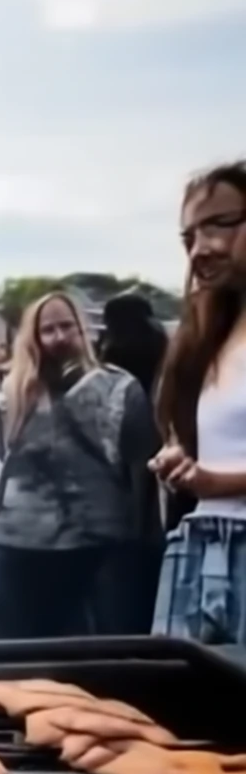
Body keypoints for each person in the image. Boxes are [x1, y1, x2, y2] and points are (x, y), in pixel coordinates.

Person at [0, 292, 159, 638]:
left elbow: (141, 475)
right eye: (48, 330)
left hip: (97, 550)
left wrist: (136, 546)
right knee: (22, 657)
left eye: (66, 327)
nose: (59, 337)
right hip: (20, 550)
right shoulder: (16, 393)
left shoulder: (120, 389)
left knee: (99, 657)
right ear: (34, 337)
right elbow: (6, 468)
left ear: (82, 330)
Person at [152, 161, 246, 645]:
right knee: (177, 715)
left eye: (217, 225)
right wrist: (182, 459)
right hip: (201, 550)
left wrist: (220, 481)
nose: (200, 249)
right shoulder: (206, 336)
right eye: (189, 236)